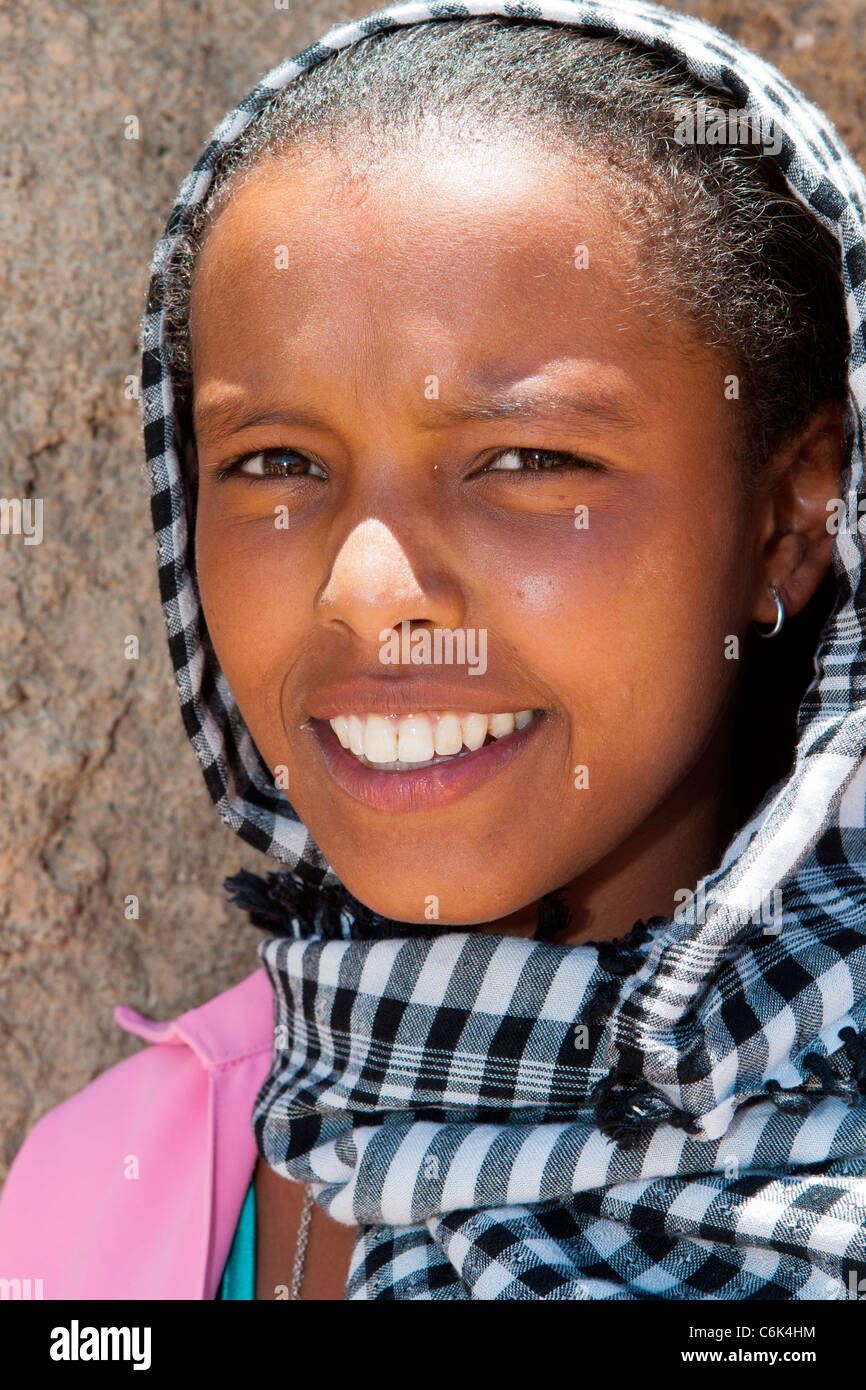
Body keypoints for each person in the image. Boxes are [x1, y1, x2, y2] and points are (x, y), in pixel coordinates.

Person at [2, 1, 866, 1301]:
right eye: (275, 463)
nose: (365, 591)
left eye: (524, 459)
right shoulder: (101, 1184)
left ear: (787, 518)